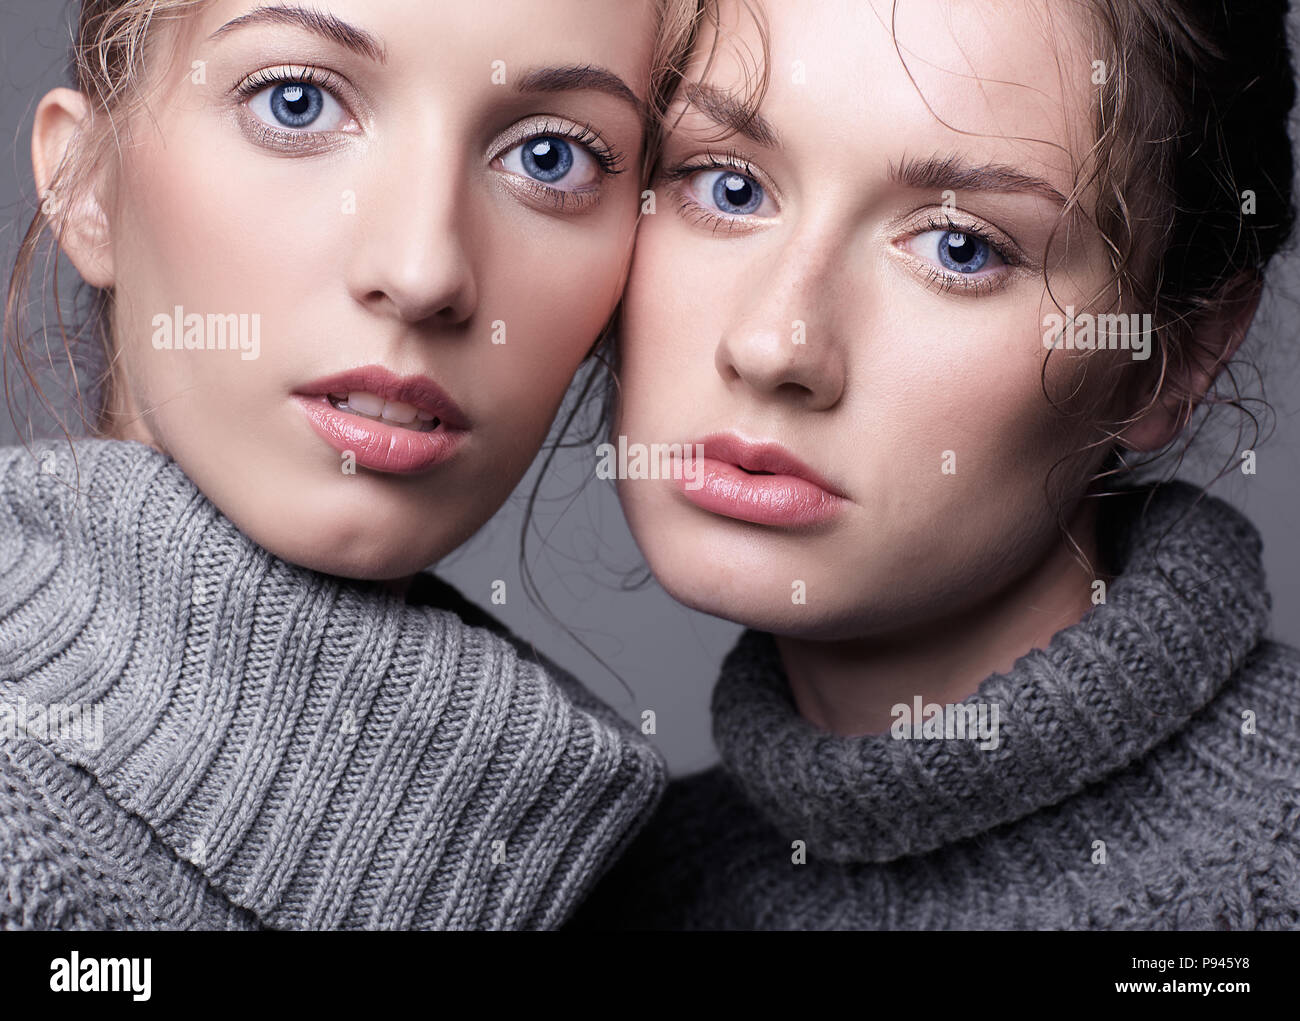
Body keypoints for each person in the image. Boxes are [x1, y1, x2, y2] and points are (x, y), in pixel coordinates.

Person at [571, 0, 1300, 929]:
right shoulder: (599, 888)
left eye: (960, 247)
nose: (775, 346)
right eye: (727, 186)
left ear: (1174, 353)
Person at [0, 0, 703, 930]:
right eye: (297, 103)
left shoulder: (657, 885)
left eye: (550, 157)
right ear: (90, 182)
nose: (422, 270)